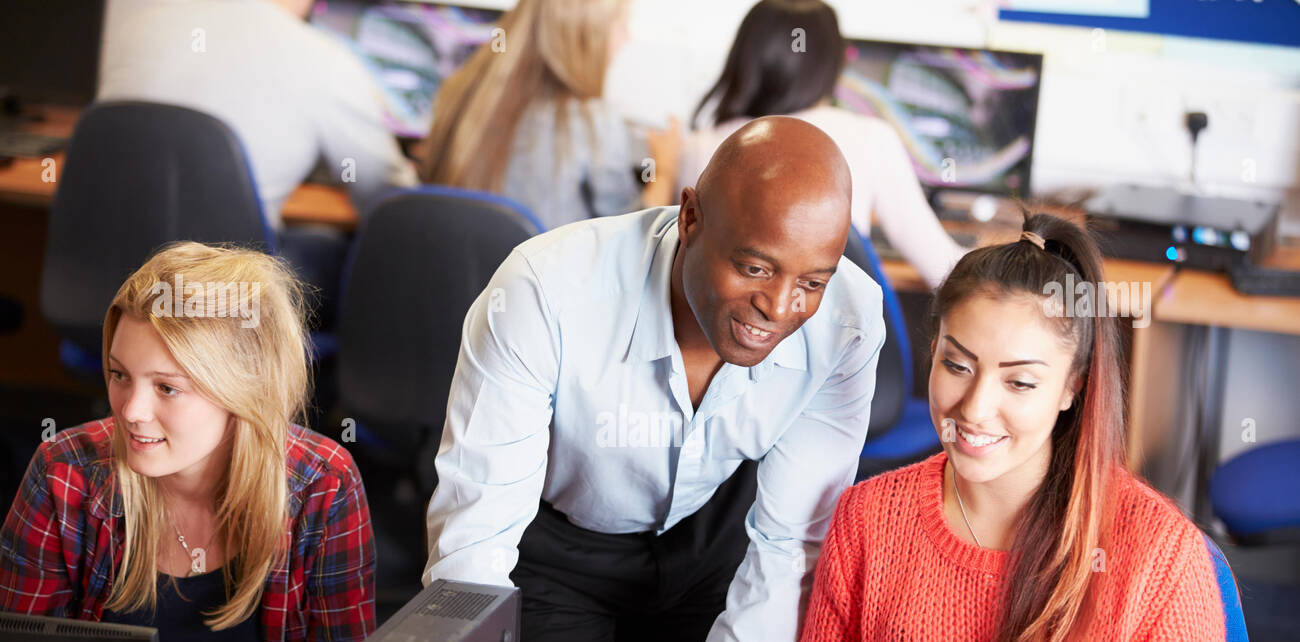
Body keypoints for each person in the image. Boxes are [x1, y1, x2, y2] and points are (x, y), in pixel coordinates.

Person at [423, 115, 884, 642]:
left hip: (714, 543)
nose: (778, 307)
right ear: (692, 215)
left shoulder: (848, 319)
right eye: (756, 266)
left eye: (810, 282)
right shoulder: (546, 290)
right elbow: (473, 540)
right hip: (560, 547)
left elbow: (791, 544)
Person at [784, 212, 1237, 642]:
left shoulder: (1156, 554)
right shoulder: (867, 518)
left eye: (1019, 381)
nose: (973, 409)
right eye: (956, 365)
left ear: (1071, 386)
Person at [0, 242, 376, 642]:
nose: (130, 410)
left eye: (167, 387)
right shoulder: (67, 472)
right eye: (120, 375)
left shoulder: (321, 485)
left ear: (242, 390)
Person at [98, 0, 420, 323]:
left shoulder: (139, 30)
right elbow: (392, 204)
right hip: (229, 312)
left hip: (111, 287)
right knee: (335, 248)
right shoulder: (320, 59)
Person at [680, 0, 963, 290]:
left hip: (732, 329)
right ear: (833, 64)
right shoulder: (871, 138)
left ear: (744, 58)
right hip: (835, 332)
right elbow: (942, 268)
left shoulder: (698, 148)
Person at [418, 0, 680, 230]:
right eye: (620, 24)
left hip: (456, 282)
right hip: (540, 285)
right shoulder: (593, 121)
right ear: (586, 34)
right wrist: (664, 171)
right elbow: (632, 240)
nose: (627, 38)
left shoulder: (456, 96)